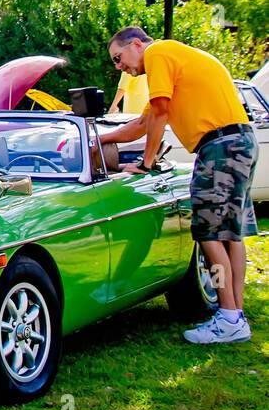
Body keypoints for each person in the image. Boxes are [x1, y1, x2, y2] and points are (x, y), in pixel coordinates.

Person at [98, 26, 256, 344]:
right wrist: (101, 139)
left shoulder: (158, 54)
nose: (120, 67)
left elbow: (159, 112)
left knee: (210, 233)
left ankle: (229, 318)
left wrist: (146, 162)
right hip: (239, 141)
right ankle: (234, 315)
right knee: (229, 234)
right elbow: (142, 123)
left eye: (119, 58)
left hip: (220, 146)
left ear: (137, 45)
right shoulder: (172, 58)